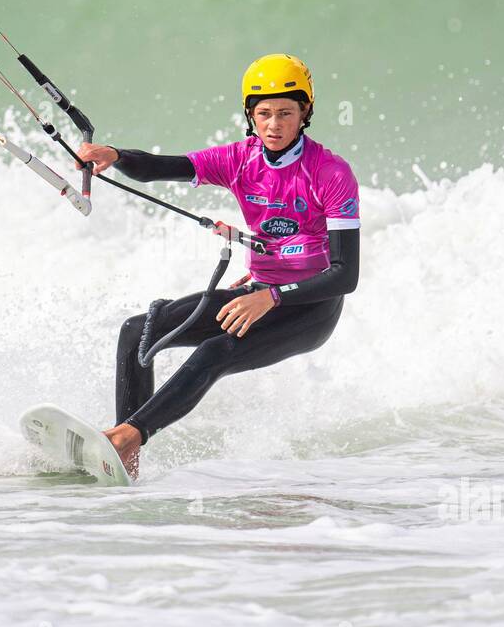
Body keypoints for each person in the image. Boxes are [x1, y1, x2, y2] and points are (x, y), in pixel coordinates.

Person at [74, 54, 361, 479]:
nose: (274, 124)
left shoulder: (330, 173)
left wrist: (273, 295)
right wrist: (114, 155)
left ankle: (126, 438)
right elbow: (163, 168)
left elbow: (345, 275)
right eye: (263, 114)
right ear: (250, 115)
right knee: (138, 332)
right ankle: (127, 454)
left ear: (305, 113)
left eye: (286, 113)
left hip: (311, 308)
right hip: (260, 293)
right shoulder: (241, 159)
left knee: (216, 350)